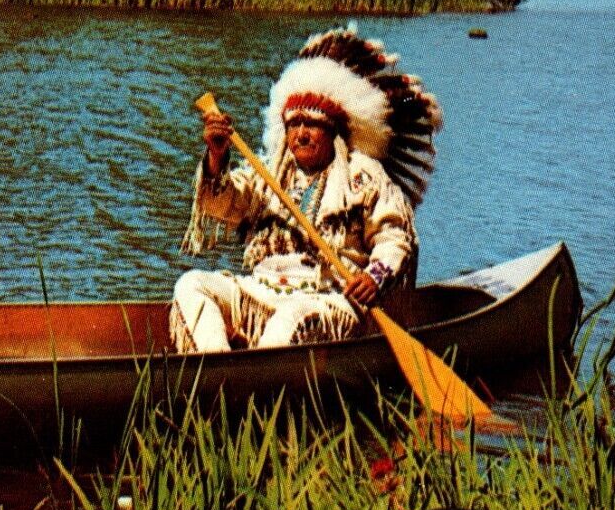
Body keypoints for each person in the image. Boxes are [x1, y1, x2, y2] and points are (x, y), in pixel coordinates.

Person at [171, 26, 443, 353]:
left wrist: (373, 277)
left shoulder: (362, 175)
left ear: (333, 132)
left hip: (327, 301)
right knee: (192, 284)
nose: (301, 134)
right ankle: (217, 369)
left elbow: (394, 235)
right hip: (260, 292)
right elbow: (222, 203)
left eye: (312, 125)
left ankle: (254, 378)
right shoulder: (268, 172)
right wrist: (217, 156)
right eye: (293, 125)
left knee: (293, 315)